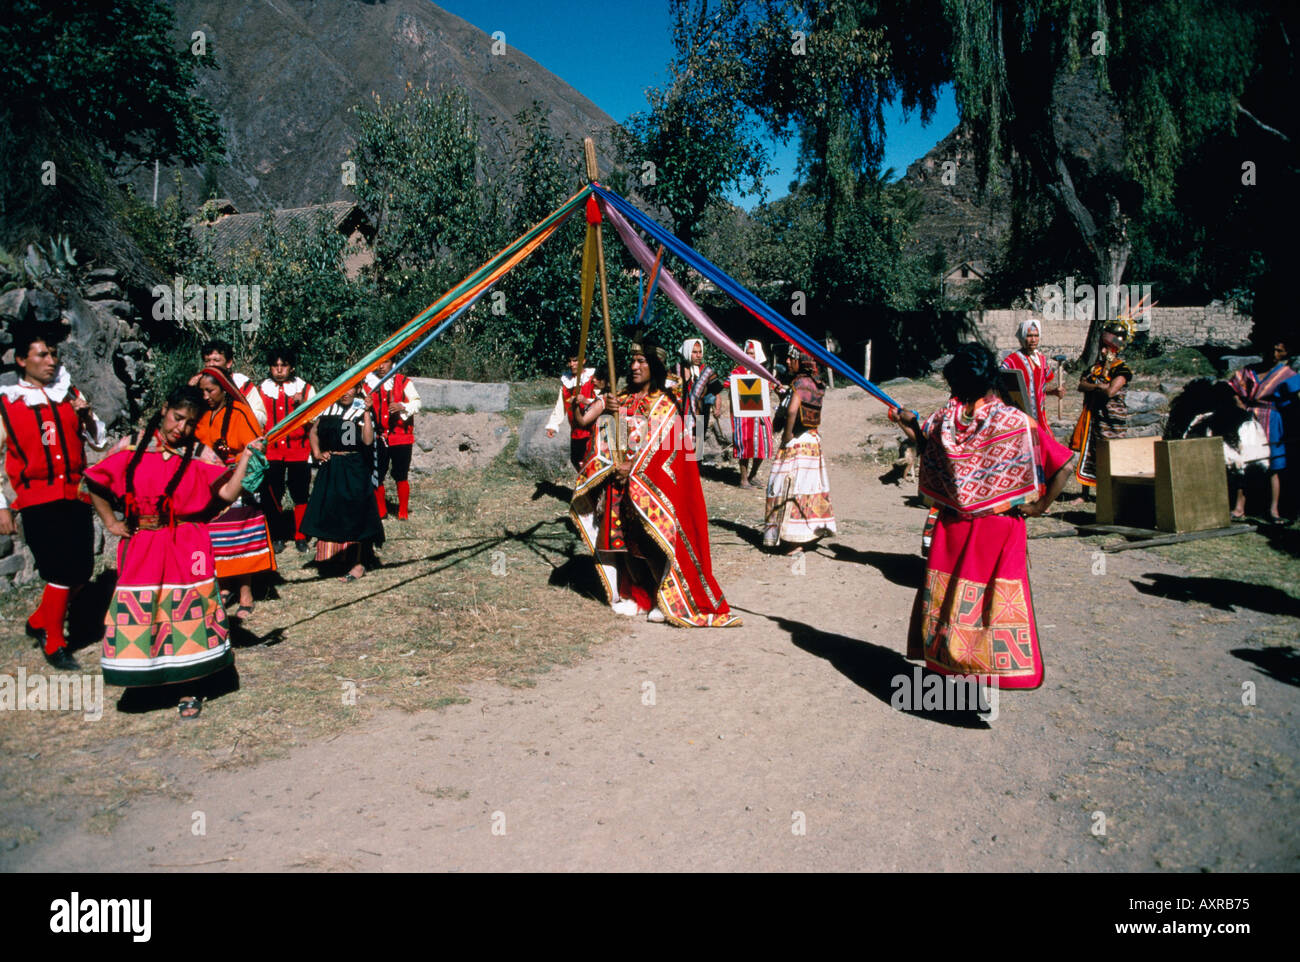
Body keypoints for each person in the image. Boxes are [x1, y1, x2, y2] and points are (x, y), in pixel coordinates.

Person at [897, 343, 1074, 690]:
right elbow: (1065, 464)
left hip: (952, 527)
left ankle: (948, 673)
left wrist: (908, 423)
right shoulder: (1016, 422)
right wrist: (1039, 507)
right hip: (999, 528)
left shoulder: (944, 423)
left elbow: (924, 442)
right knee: (988, 605)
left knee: (948, 603)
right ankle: (992, 675)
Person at [84, 386, 261, 718]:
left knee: (186, 613)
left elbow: (226, 491)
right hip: (141, 544)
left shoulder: (200, 454)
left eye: (190, 423)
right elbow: (95, 481)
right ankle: (146, 681)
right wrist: (111, 522)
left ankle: (188, 686)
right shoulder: (131, 446)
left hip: (184, 541)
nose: (181, 428)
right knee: (143, 612)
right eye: (177, 418)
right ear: (164, 409)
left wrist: (247, 458)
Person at [570, 339, 739, 627]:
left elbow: (667, 447)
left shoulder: (666, 401)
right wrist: (582, 402)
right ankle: (639, 596)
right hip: (619, 483)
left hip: (651, 486)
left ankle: (664, 598)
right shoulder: (619, 397)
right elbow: (589, 424)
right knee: (623, 544)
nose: (635, 367)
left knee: (650, 543)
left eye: (642, 362)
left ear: (655, 365)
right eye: (632, 361)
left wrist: (632, 469)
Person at [0, 328, 108, 668]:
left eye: (53, 354)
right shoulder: (7, 403)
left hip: (75, 493)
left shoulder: (67, 392)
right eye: (42, 355)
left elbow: (98, 440)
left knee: (82, 571)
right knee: (60, 570)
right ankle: (55, 641)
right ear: (21, 361)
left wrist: (87, 414)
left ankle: (38, 621)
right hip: (37, 499)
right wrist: (2, 507)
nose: (51, 361)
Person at [194, 367, 275, 619]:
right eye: (202, 391)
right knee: (215, 542)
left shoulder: (241, 413)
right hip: (209, 483)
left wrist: (235, 467)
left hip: (238, 483)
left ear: (224, 390)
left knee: (240, 540)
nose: (206, 396)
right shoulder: (200, 414)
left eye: (211, 390)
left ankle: (246, 594)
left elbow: (253, 448)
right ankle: (222, 587)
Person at [300, 383, 384, 581]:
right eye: (342, 389)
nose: (345, 393)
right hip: (331, 467)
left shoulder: (360, 409)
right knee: (330, 509)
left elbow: (367, 440)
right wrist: (317, 452)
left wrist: (366, 412)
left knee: (355, 513)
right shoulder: (328, 408)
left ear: (356, 391)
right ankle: (335, 558)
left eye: (350, 389)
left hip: (354, 466)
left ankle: (358, 563)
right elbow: (313, 432)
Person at [764, 349, 836, 549]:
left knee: (787, 488)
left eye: (791, 358)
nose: (787, 361)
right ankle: (810, 534)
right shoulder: (816, 384)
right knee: (809, 489)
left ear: (801, 361)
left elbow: (793, 410)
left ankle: (794, 542)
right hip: (812, 443)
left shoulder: (800, 383)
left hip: (797, 443)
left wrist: (787, 435)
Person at [1229, 340, 1296, 523]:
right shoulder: (1250, 370)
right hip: (1249, 419)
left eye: (1279, 351)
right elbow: (1234, 388)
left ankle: (1273, 510)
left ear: (1285, 354)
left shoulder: (1288, 375)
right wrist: (1241, 406)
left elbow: (1292, 398)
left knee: (1273, 465)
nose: (1274, 353)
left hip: (1272, 419)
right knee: (1245, 461)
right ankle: (1239, 507)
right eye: (1271, 349)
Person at [257, 347, 315, 552]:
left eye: (284, 365)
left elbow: (315, 417)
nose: (279, 370)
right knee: (274, 493)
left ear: (291, 367)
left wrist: (303, 405)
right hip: (271, 451)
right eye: (275, 366)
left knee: (300, 493)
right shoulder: (261, 389)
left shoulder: (306, 389)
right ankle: (277, 536)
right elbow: (257, 417)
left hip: (299, 448)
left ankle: (300, 536)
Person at [1069, 321, 1133, 490]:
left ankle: (1111, 492)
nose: (1104, 351)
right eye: (1103, 347)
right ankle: (1085, 492)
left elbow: (1111, 391)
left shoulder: (1122, 369)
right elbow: (1081, 385)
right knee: (1090, 451)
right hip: (1094, 418)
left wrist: (1099, 387)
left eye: (1108, 348)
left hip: (1112, 420)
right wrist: (1098, 386)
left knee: (1111, 454)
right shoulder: (1094, 369)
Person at [364, 358, 421, 520]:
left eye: (385, 362)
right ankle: (381, 511)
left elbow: (417, 402)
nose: (381, 366)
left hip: (401, 437)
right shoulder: (367, 384)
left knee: (401, 474)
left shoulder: (403, 382)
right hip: (378, 437)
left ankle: (402, 511)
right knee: (377, 473)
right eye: (378, 362)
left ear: (393, 363)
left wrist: (402, 406)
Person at [717, 339, 774, 488]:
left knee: (763, 444)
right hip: (743, 416)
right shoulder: (737, 372)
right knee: (745, 445)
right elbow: (729, 388)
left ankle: (753, 474)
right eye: (747, 353)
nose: (749, 356)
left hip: (761, 415)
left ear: (758, 355)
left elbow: (770, 390)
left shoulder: (764, 373)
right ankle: (743, 479)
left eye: (752, 353)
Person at [1000, 318, 1064, 432]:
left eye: (1036, 335)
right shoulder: (1011, 361)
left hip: (1040, 417)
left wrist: (1054, 391)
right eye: (1029, 335)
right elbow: (1000, 385)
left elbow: (1040, 389)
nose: (1033, 340)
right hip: (1020, 418)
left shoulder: (1042, 361)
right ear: (1023, 337)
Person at [545, 351, 600, 470]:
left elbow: (601, 400)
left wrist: (585, 400)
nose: (571, 364)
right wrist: (553, 424)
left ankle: (592, 487)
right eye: (570, 361)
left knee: (591, 462)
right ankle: (586, 485)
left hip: (592, 429)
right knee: (576, 460)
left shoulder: (592, 379)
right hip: (576, 430)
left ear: (583, 361)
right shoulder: (566, 381)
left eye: (575, 360)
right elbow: (560, 404)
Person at [198, 339, 267, 429]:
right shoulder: (199, 383)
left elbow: (261, 418)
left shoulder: (241, 383)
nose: (211, 364)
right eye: (207, 361)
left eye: (216, 360)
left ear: (229, 363)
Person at [671, 338, 721, 448]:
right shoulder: (676, 369)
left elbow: (717, 391)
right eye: (694, 352)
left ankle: (697, 465)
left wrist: (717, 408)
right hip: (679, 414)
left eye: (700, 352)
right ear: (687, 352)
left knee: (696, 450)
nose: (698, 355)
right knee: (679, 448)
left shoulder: (706, 371)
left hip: (700, 415)